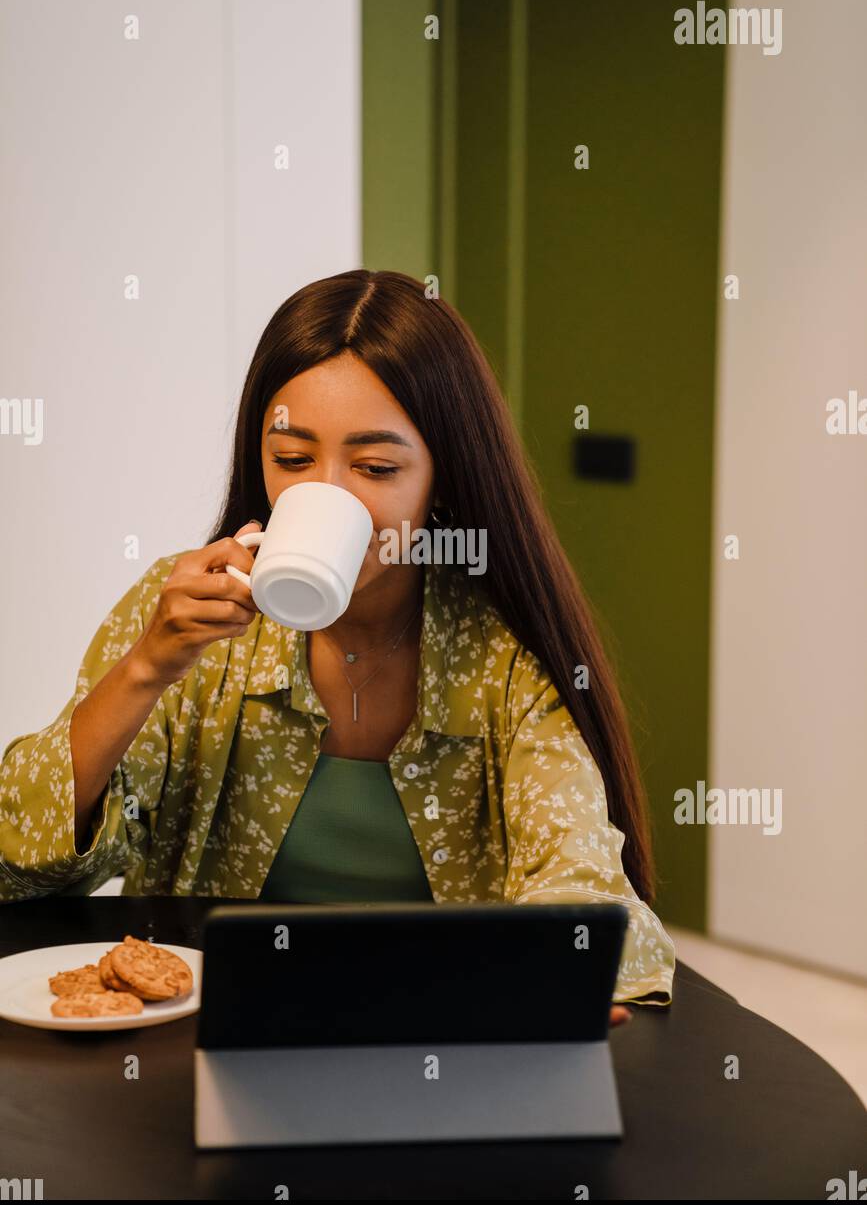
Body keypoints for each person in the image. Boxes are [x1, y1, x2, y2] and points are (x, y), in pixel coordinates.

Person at [0, 268, 675, 1017]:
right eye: (291, 460)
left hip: (436, 1049)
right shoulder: (187, 617)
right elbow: (21, 863)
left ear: (443, 479)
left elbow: (591, 896)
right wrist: (143, 670)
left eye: (376, 467)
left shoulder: (502, 656)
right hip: (203, 1052)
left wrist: (551, 971)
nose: (324, 494)